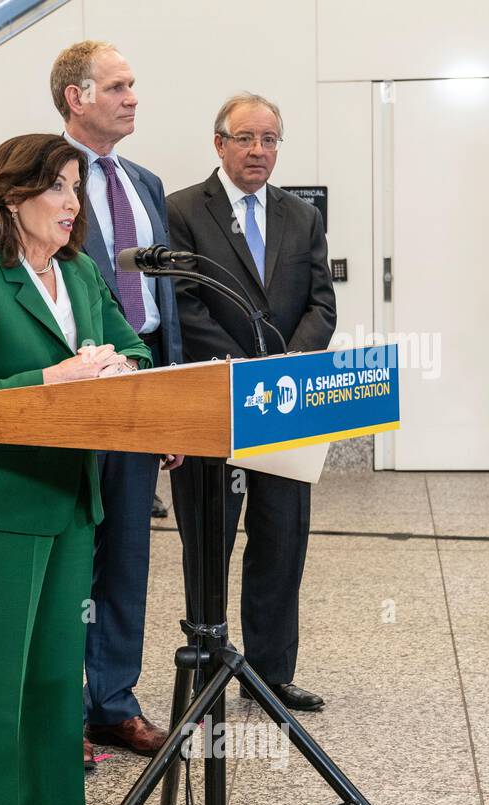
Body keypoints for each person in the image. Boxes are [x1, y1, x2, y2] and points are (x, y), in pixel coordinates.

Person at [0, 133, 150, 805]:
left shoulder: (83, 272)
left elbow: (138, 352)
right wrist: (52, 375)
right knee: (4, 666)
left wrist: (118, 365)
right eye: (57, 188)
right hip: (4, 496)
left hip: (73, 495)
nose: (71, 203)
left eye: (76, 189)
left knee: (61, 662)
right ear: (13, 198)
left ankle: (53, 802)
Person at [166, 92, 336, 713]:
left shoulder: (300, 216)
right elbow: (180, 304)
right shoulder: (181, 209)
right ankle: (209, 669)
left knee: (281, 536)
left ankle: (270, 673)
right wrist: (247, 370)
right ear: (219, 143)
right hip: (215, 398)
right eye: (245, 138)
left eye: (269, 140)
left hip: (287, 405)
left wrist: (287, 365)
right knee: (210, 539)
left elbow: (321, 302)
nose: (258, 151)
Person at [52, 39, 184, 766]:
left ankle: (115, 702)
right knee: (74, 560)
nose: (133, 98)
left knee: (128, 556)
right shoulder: (40, 174)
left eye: (134, 86)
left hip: (142, 390)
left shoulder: (145, 181)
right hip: (76, 395)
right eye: (119, 86)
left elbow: (165, 300)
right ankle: (59, 709)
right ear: (77, 96)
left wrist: (170, 397)